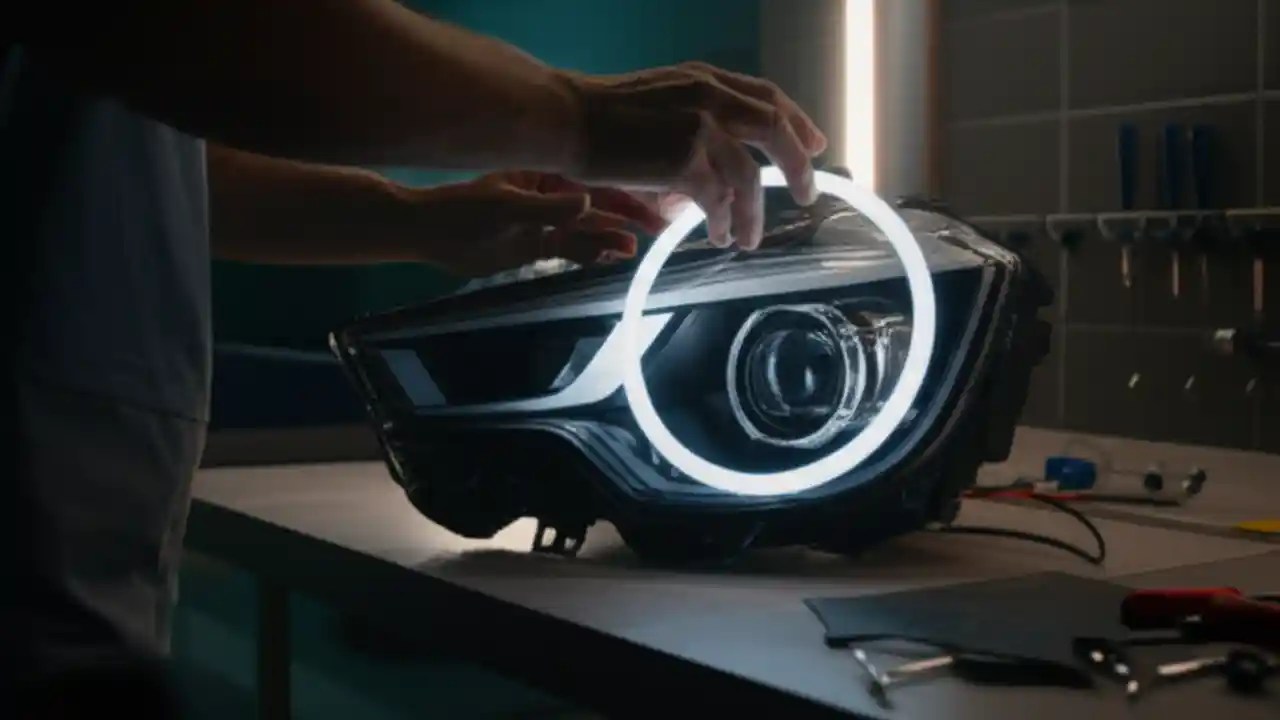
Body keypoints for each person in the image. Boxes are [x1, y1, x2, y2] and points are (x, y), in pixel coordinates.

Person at [4, 1, 827, 714]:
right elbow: (179, 27)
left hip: (78, 529)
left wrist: (424, 222)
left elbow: (160, 159)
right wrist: (582, 119)